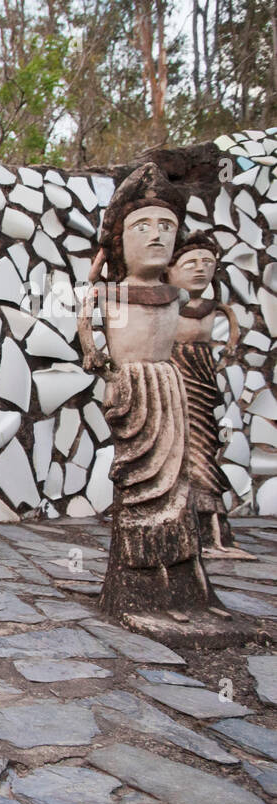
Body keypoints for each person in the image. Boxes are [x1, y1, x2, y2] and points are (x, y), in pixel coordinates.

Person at [76, 163, 227, 629]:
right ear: (121, 240)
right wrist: (97, 359)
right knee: (142, 488)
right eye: (142, 227)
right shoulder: (111, 296)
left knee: (177, 488)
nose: (157, 236)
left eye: (167, 227)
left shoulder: (176, 297)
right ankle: (141, 582)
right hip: (134, 389)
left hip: (170, 388)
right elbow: (86, 322)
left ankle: (180, 577)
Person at [166, 231, 249, 558]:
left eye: (208, 263)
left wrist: (229, 351)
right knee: (180, 438)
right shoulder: (167, 303)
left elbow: (231, 333)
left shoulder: (217, 309)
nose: (200, 269)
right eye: (190, 263)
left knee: (203, 438)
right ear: (170, 270)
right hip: (175, 374)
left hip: (202, 377)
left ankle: (212, 523)